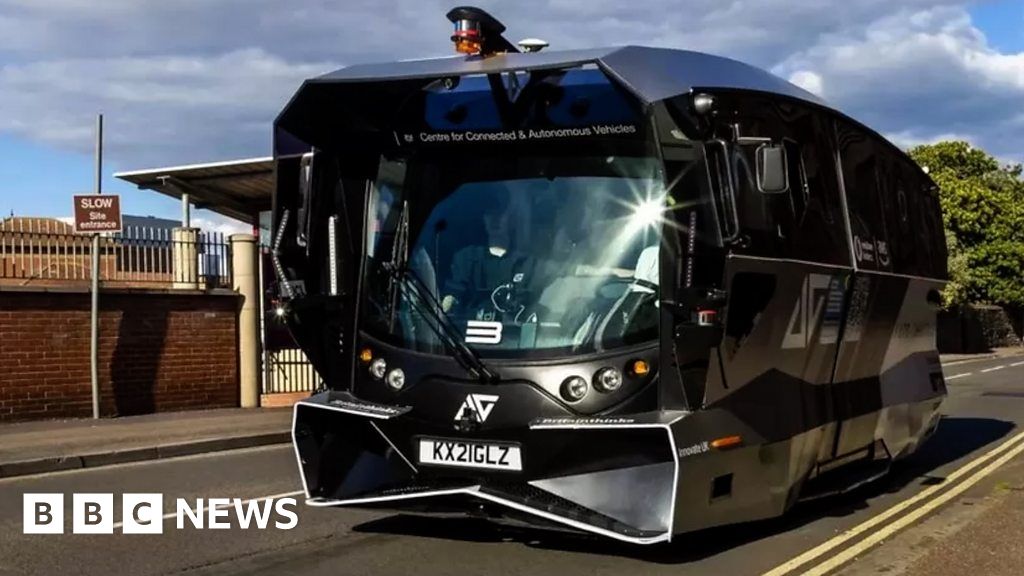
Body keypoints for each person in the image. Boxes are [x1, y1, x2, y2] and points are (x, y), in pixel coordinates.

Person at [440, 195, 536, 320]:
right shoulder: (466, 259)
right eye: (489, 214)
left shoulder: (527, 264)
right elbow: (452, 296)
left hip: (514, 336)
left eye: (500, 214)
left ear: (511, 219)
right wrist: (442, 312)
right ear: (484, 219)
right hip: (462, 336)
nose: (494, 220)